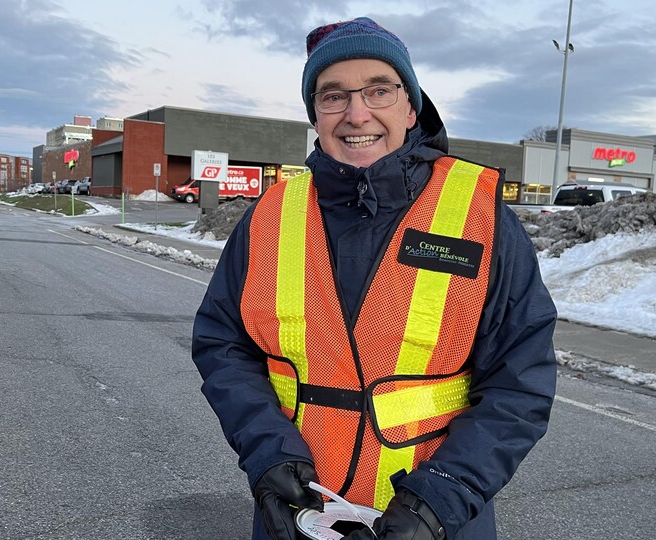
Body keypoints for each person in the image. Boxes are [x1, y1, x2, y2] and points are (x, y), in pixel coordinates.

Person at [192, 16, 557, 540]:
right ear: (314, 115)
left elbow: (521, 379)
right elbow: (223, 345)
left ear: (411, 107)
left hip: (436, 521)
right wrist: (269, 456)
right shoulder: (269, 216)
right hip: (300, 513)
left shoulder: (479, 216)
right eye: (333, 96)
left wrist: (440, 498)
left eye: (378, 90)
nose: (356, 113)